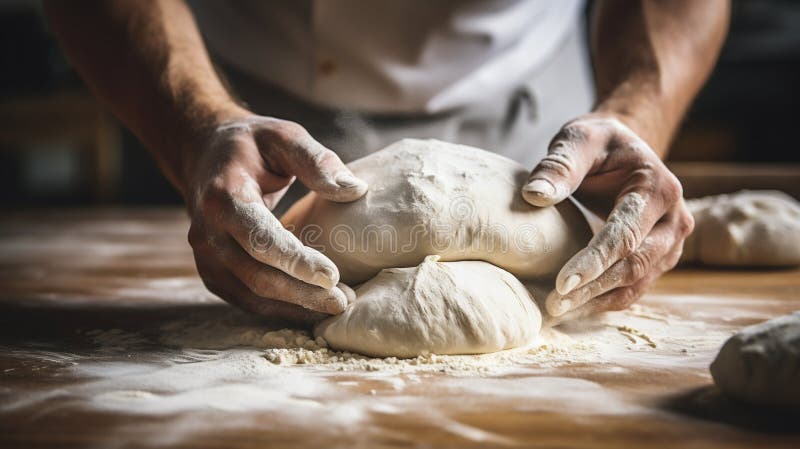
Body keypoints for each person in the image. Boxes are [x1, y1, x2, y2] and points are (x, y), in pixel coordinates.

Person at [44, 0, 729, 323]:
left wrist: (636, 115)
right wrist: (196, 127)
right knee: (271, 277)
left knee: (551, 280)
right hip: (236, 103)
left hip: (531, 117)